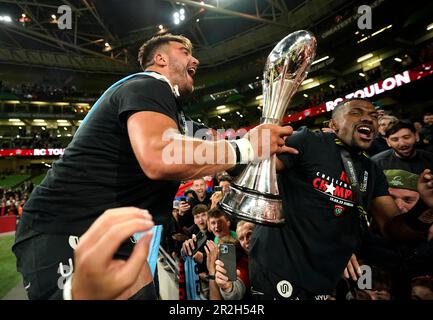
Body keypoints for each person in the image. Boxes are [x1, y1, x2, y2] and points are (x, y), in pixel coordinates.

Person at [12, 33, 294, 300]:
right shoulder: (148, 84)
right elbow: (160, 156)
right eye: (185, 52)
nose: (195, 61)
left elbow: (223, 146)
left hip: (109, 231)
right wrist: (246, 147)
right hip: (63, 226)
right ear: (160, 59)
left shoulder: (177, 119)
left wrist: (279, 147)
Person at [248, 98, 433, 300]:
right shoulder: (308, 141)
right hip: (280, 267)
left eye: (373, 116)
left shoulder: (372, 170)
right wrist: (252, 149)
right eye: (356, 113)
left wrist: (425, 204)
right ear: (333, 124)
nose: (368, 119)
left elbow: (393, 229)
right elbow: (257, 171)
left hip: (324, 274)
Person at [215, 220, 255, 300]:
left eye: (249, 234)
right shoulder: (242, 262)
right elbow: (236, 292)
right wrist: (228, 288)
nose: (246, 241)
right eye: (241, 239)